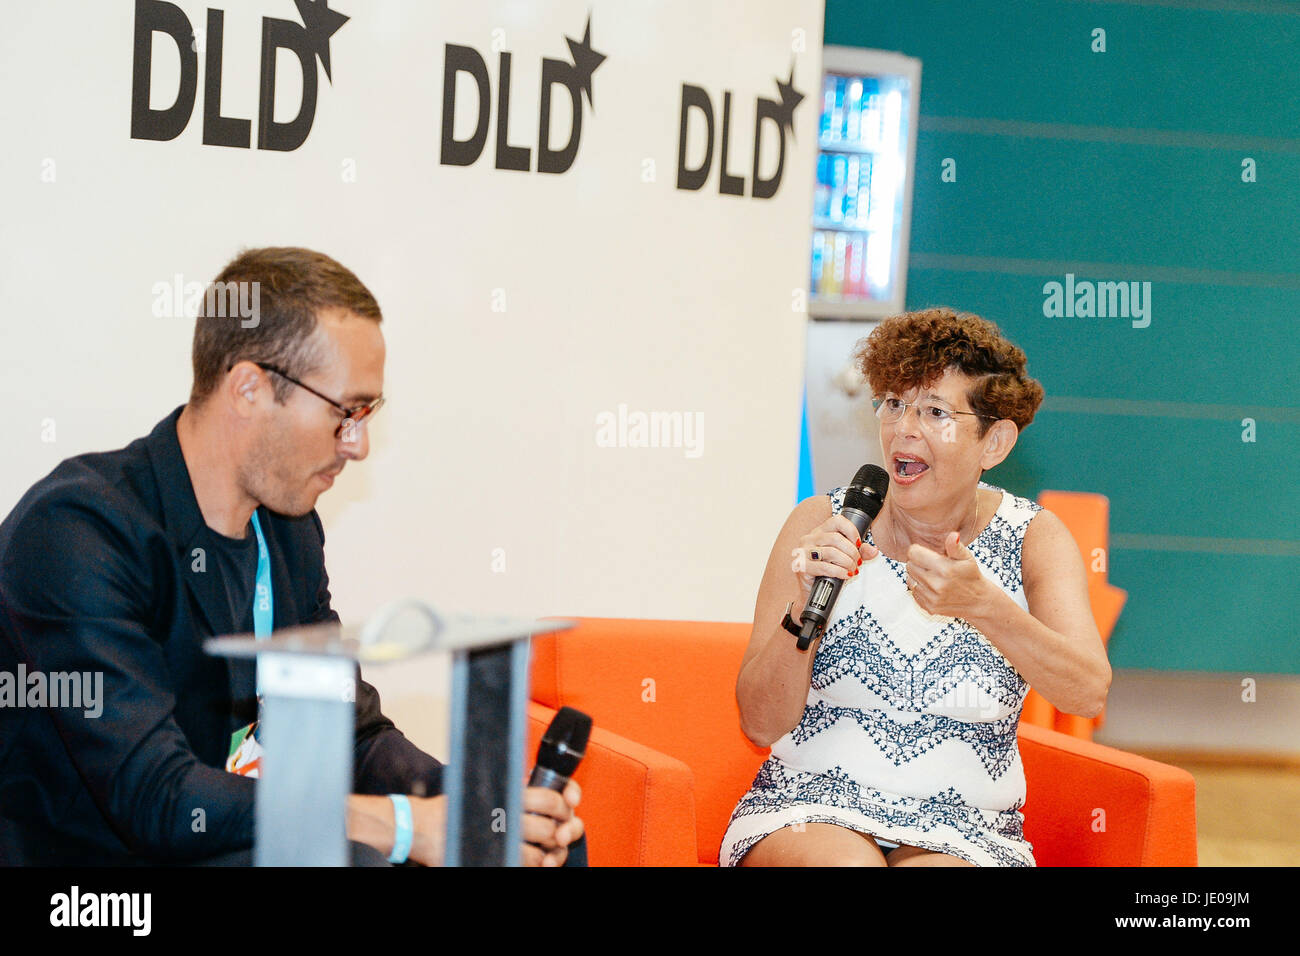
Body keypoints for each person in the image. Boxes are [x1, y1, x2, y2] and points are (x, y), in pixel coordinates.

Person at [0, 247, 583, 867]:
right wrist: (409, 824)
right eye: (345, 412)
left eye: (368, 414)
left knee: (543, 851)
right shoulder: (77, 532)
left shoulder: (289, 527)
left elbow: (346, 731)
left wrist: (472, 805)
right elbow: (159, 797)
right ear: (249, 388)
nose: (356, 445)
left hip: (229, 842)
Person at [720, 307, 1111, 867]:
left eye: (934, 411)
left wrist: (985, 607)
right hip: (811, 806)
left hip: (967, 828)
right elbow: (757, 725)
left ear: (994, 443)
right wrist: (803, 609)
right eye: (894, 403)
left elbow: (1086, 691)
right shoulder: (822, 522)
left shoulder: (1033, 539)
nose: (903, 428)